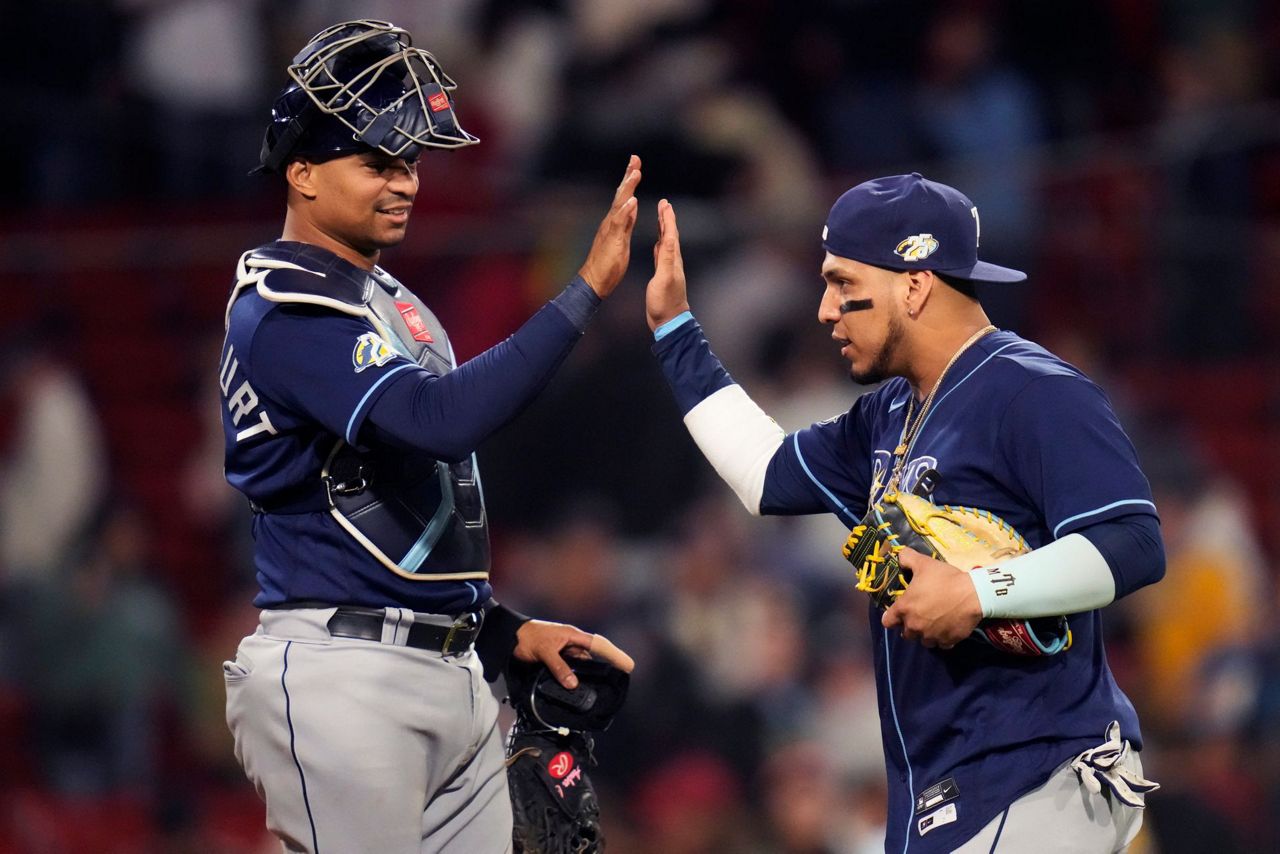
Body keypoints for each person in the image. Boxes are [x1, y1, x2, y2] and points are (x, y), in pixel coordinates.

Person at [643, 174, 1165, 853]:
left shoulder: (1033, 390)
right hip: (945, 790)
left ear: (914, 283)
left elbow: (1131, 540)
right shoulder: (886, 416)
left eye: (841, 281)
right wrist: (675, 331)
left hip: (1032, 768)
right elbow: (764, 474)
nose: (826, 310)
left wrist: (979, 591)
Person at [219, 20, 637, 853]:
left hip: (448, 669)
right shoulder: (285, 306)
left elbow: (414, 508)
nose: (404, 182)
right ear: (301, 173)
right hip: (343, 678)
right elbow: (438, 421)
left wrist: (498, 627)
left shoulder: (393, 304)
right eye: (377, 162)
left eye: (409, 163)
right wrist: (582, 292)